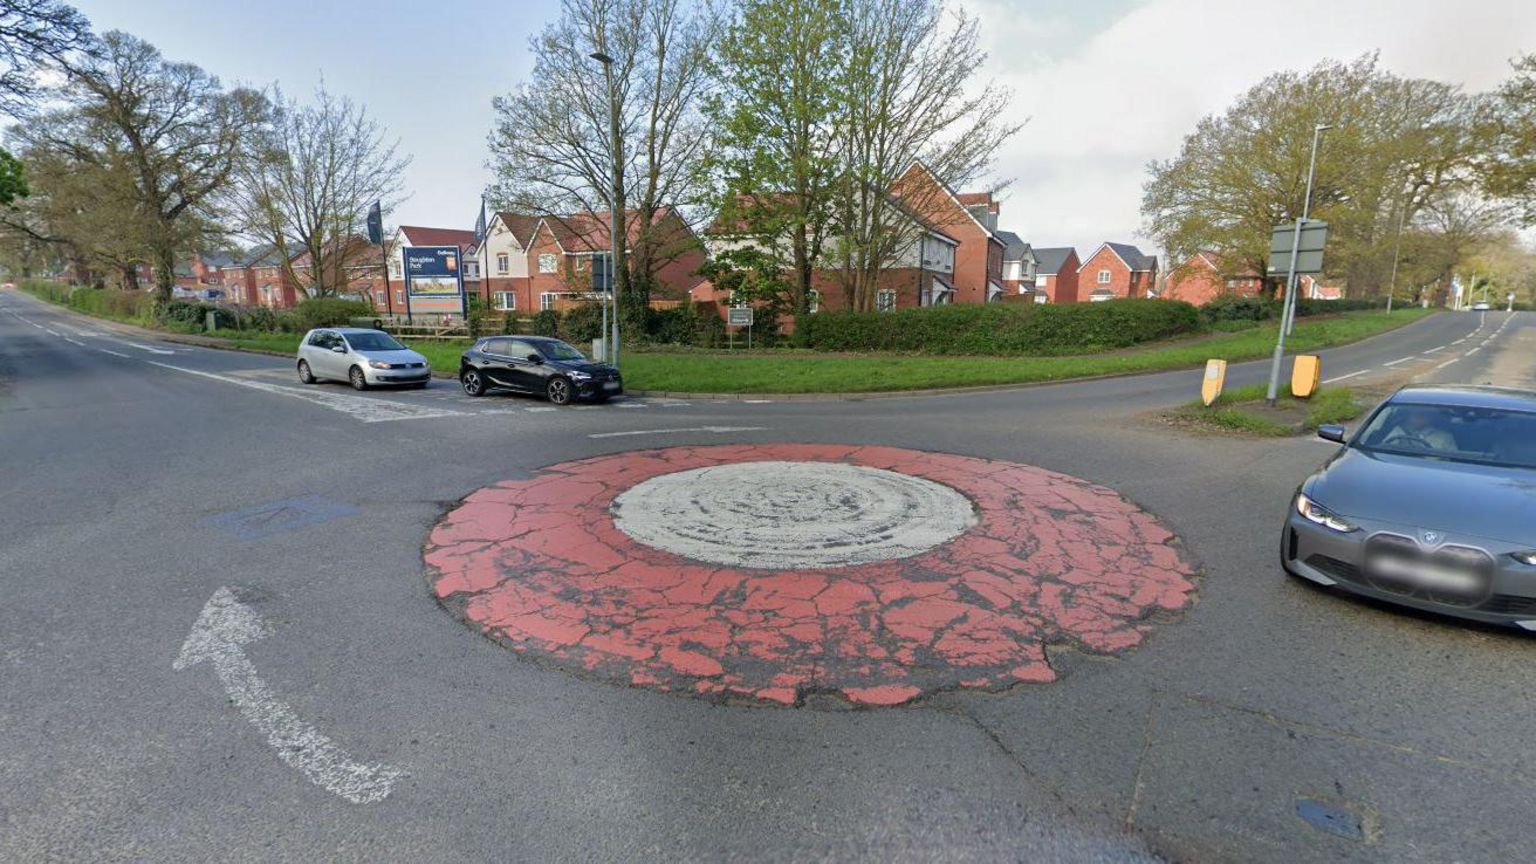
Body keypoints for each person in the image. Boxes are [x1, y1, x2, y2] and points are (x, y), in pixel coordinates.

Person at [1382, 406, 1456, 451]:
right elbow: (1384, 448)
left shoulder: (1445, 437)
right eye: (1414, 415)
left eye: (1422, 415)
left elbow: (1452, 460)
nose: (1417, 419)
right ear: (1409, 417)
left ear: (1430, 418)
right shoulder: (1399, 430)